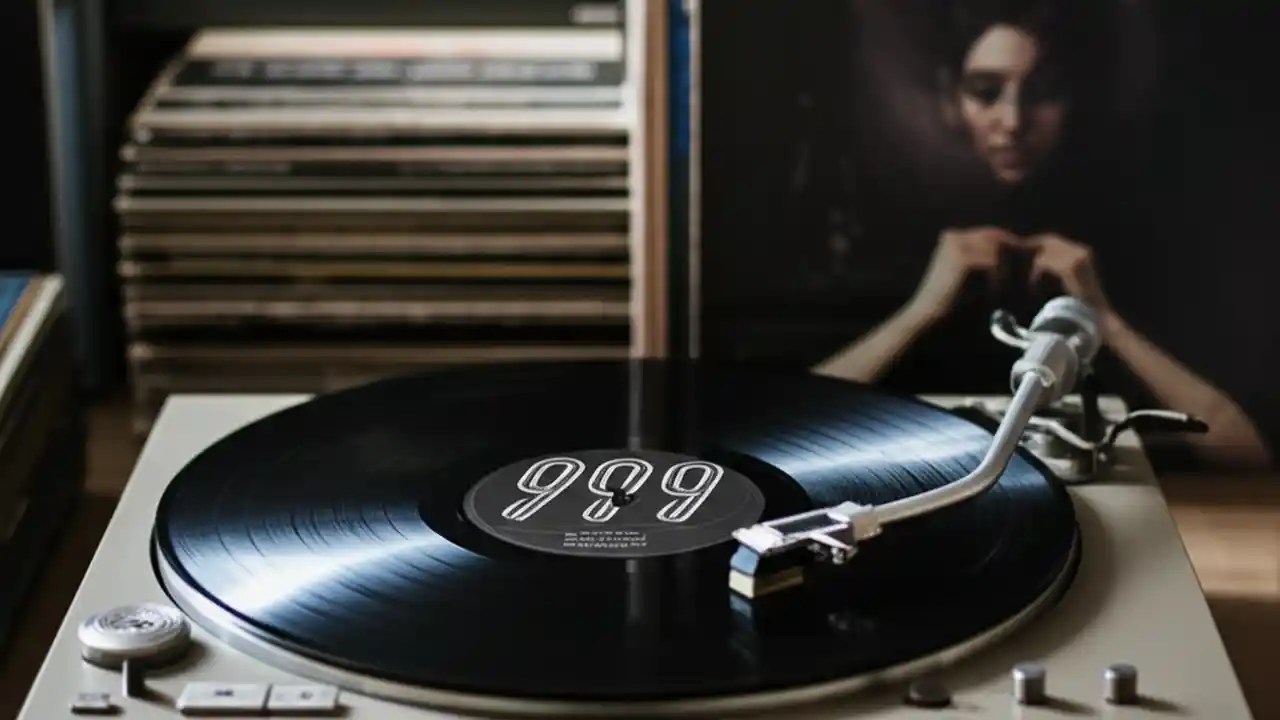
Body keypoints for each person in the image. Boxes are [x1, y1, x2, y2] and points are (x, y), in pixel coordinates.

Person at [813, 0, 1273, 470]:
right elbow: (787, 430)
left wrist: (1104, 322)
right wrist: (923, 309)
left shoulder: (1137, 238)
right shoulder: (891, 238)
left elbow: (1246, 452)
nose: (1013, 122)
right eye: (986, 91)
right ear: (952, 99)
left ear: (1076, 99)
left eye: (1042, 92)